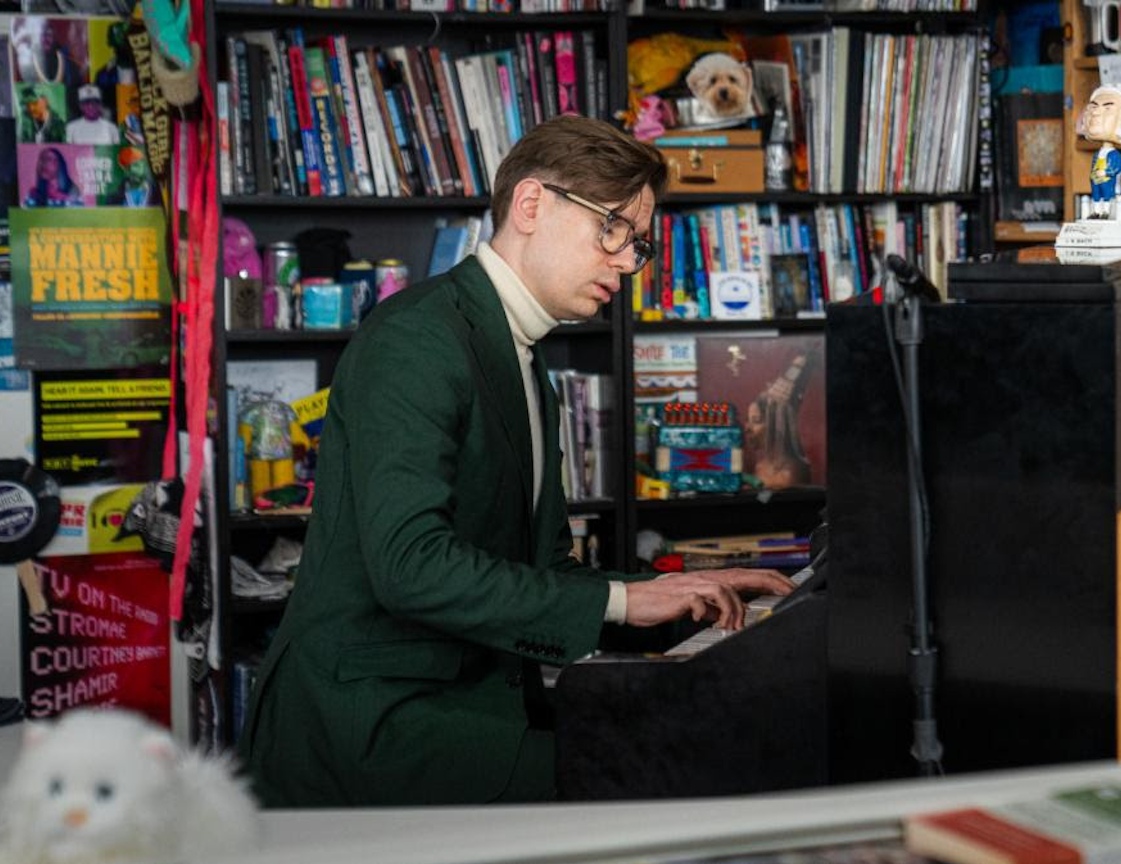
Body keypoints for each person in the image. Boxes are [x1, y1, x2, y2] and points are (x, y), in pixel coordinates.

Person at [240, 115, 793, 807]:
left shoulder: (524, 360)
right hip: (373, 722)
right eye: (613, 229)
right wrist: (624, 599)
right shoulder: (417, 338)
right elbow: (411, 567)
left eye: (638, 244)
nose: (627, 260)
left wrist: (680, 594)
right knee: (669, 777)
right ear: (532, 205)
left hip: (460, 700)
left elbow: (543, 570)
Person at [743, 348, 816, 489]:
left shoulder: (790, 472)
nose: (747, 428)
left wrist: (754, 491)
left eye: (757, 421)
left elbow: (768, 500)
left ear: (777, 425)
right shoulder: (762, 464)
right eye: (748, 420)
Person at [1079, 83, 1121, 220]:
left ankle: (1105, 213)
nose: (1095, 112)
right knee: (1096, 196)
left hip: (1106, 178)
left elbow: (1116, 167)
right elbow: (1094, 164)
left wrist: (1106, 172)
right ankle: (1096, 212)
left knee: (1107, 195)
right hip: (1096, 179)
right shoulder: (1097, 153)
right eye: (1093, 107)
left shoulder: (1114, 154)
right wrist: (1093, 175)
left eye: (1107, 108)